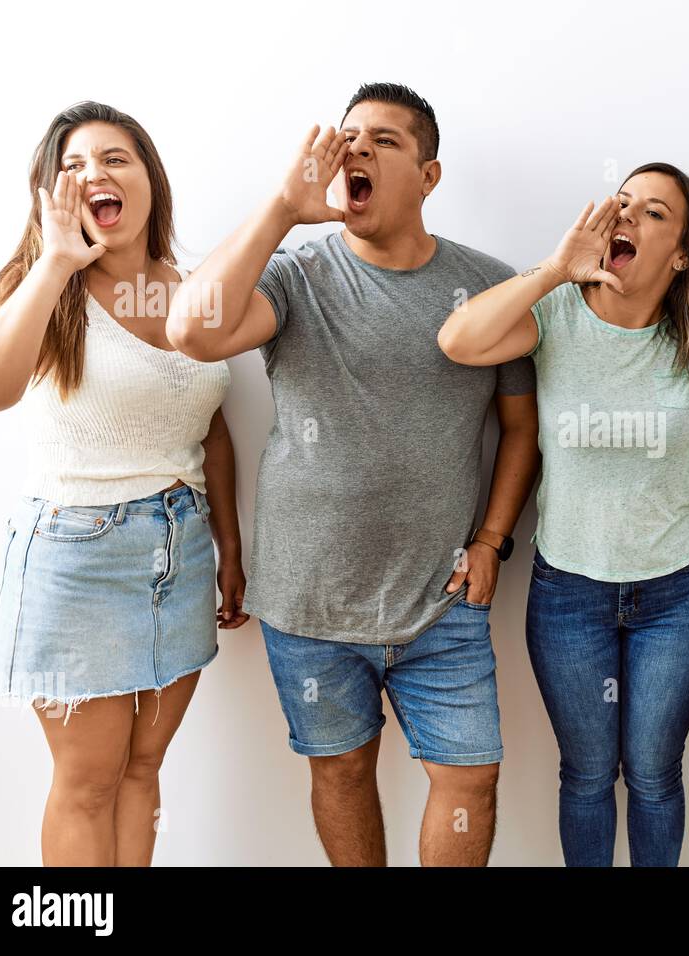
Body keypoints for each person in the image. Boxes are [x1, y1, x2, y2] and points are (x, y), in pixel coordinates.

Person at [166, 83, 539, 867]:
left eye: (384, 140)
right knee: (340, 773)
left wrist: (495, 542)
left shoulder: (487, 283)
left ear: (430, 174)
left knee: (470, 779)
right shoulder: (297, 275)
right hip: (308, 601)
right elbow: (191, 333)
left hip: (443, 601)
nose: (357, 150)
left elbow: (519, 427)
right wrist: (279, 209)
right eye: (348, 138)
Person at [438, 163, 689, 865]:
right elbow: (459, 340)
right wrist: (555, 268)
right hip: (569, 594)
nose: (626, 219)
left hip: (675, 593)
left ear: (683, 254)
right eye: (622, 204)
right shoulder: (554, 316)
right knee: (585, 777)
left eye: (652, 213)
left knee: (652, 777)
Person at [0, 102, 245, 866]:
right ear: (51, 194)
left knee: (141, 770)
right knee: (86, 782)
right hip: (75, 556)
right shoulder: (38, 287)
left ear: (150, 179)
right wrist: (57, 263)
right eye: (75, 165)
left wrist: (229, 548)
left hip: (179, 552)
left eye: (116, 158)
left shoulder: (192, 291)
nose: (95, 174)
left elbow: (210, 425)